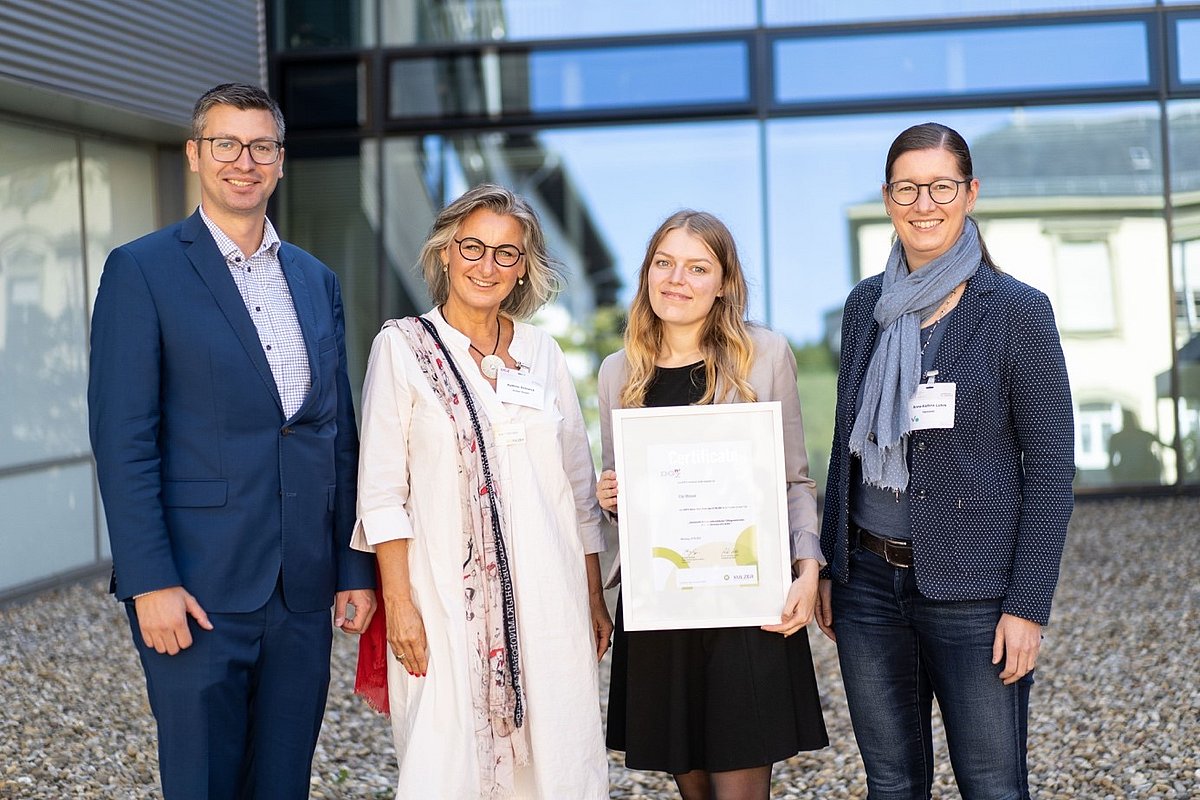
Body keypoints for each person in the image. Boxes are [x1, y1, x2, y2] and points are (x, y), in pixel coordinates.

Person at [87, 83, 377, 799]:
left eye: (260, 146)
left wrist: (352, 566)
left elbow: (335, 431)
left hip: (303, 588)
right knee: (203, 782)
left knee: (284, 782)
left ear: (280, 161)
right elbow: (124, 440)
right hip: (196, 587)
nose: (243, 161)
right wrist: (150, 579)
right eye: (226, 143)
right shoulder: (142, 270)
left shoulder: (316, 280)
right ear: (194, 154)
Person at [817, 122, 1075, 800]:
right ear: (887, 196)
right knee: (892, 783)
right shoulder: (864, 306)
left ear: (969, 193)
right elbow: (845, 441)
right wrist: (828, 561)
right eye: (907, 187)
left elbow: (1051, 471)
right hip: (867, 587)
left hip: (976, 592)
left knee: (992, 784)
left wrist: (1028, 606)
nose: (923, 203)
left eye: (940, 186)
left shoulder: (1016, 311)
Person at [351, 184, 611, 799]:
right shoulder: (402, 348)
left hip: (551, 603)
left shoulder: (543, 352)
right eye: (473, 247)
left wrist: (593, 597)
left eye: (506, 253)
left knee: (559, 762)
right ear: (445, 252)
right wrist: (401, 605)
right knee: (446, 763)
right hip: (444, 603)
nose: (487, 266)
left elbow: (577, 483)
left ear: (523, 269)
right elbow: (382, 491)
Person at [596, 210, 828, 800]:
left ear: (724, 282)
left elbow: (793, 480)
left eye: (698, 267)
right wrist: (611, 497)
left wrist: (807, 570)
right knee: (693, 789)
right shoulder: (617, 372)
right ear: (647, 271)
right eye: (664, 263)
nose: (677, 279)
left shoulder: (764, 354)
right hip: (663, 603)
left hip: (745, 600)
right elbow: (623, 499)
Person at [1108, 408, 1162, 484]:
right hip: (1129, 475)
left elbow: (1110, 462)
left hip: (1140, 475)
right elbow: (1110, 462)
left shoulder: (1117, 438)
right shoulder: (1144, 435)